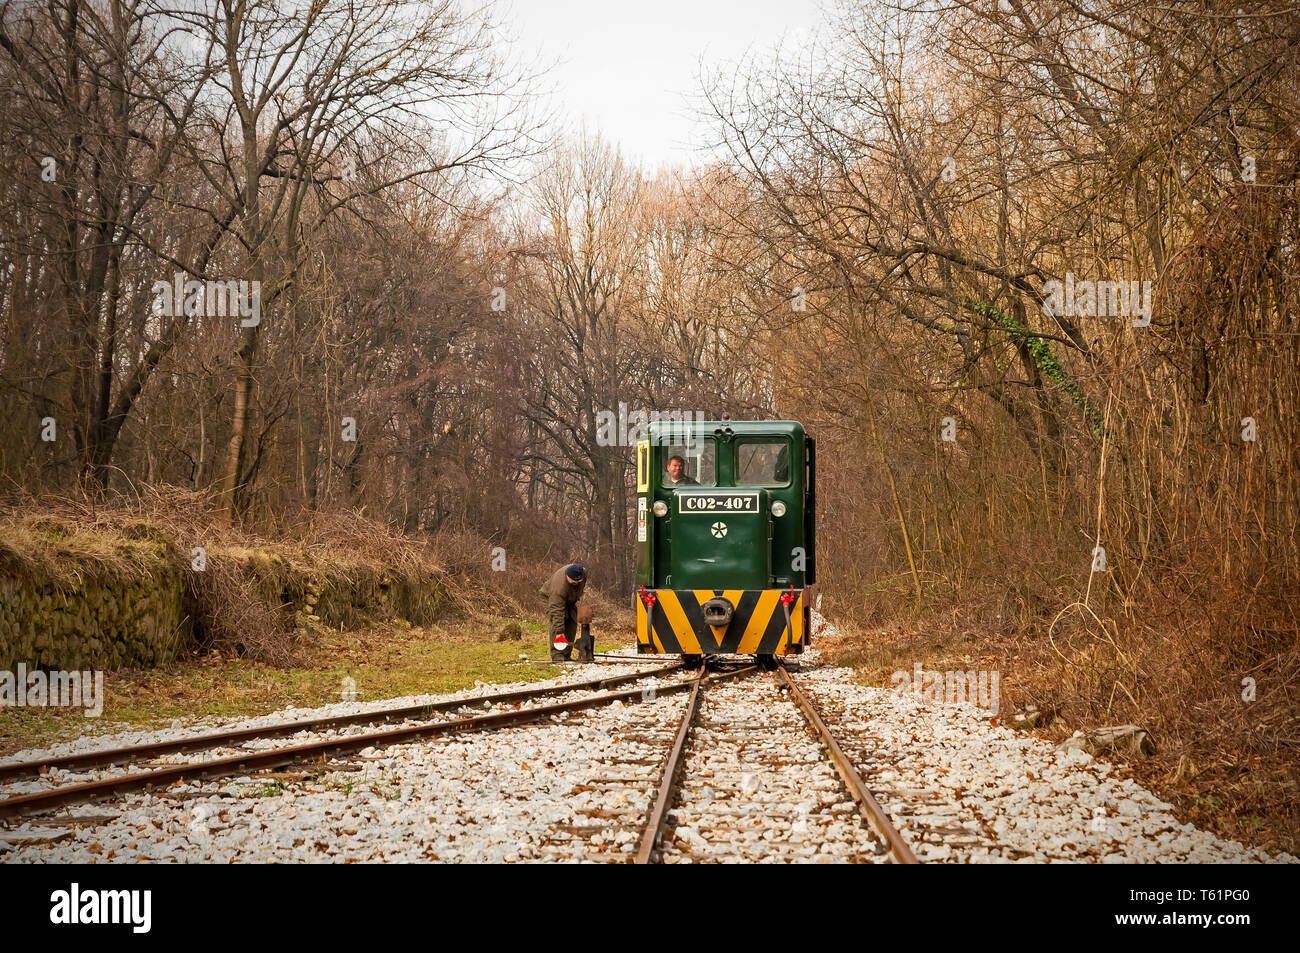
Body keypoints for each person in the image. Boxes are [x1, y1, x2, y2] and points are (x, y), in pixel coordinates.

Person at [541, 563, 587, 661]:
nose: (576, 583)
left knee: (572, 622)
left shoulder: (583, 573)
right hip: (551, 599)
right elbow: (556, 610)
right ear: (567, 576)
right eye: (573, 581)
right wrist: (559, 631)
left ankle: (566, 654)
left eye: (578, 581)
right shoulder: (559, 587)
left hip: (569, 599)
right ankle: (557, 654)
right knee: (557, 623)